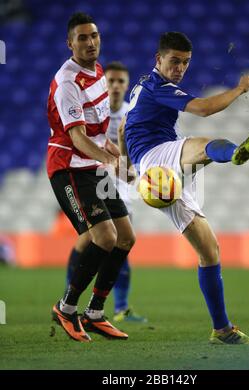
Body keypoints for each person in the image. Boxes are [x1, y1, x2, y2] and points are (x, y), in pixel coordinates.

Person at [123, 31, 249, 345]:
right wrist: (238, 89)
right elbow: (205, 108)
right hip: (157, 160)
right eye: (174, 61)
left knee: (210, 252)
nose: (180, 67)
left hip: (153, 167)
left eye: (185, 62)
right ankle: (235, 153)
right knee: (203, 146)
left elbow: (126, 125)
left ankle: (221, 330)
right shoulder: (157, 86)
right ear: (159, 59)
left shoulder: (142, 84)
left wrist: (128, 165)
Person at [47, 12, 136, 342]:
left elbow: (98, 132)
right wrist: (108, 161)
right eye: (82, 38)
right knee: (104, 238)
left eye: (94, 36)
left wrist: (116, 156)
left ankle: (95, 313)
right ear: (70, 43)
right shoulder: (68, 83)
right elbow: (78, 138)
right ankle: (66, 308)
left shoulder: (97, 71)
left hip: (93, 165)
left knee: (125, 237)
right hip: (69, 167)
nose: (90, 42)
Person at [65, 61, 147, 323]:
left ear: (126, 85)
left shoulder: (131, 114)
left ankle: (121, 307)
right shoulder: (91, 112)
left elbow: (131, 157)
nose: (114, 86)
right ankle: (70, 299)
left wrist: (126, 164)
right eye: (110, 81)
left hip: (120, 186)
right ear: (103, 84)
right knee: (88, 240)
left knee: (123, 241)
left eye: (120, 81)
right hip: (91, 180)